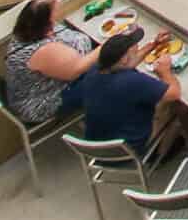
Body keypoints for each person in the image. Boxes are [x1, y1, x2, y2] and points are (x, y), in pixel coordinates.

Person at [76, 27, 182, 160]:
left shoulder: (95, 71)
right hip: (126, 151)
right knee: (173, 106)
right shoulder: (130, 81)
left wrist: (154, 44)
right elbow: (174, 93)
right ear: (124, 59)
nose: (137, 47)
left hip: (99, 147)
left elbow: (129, 63)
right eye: (134, 47)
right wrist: (165, 71)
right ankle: (159, 155)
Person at [1, 0, 94, 122]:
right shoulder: (40, 51)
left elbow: (66, 36)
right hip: (40, 103)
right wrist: (104, 47)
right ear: (45, 20)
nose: (58, 11)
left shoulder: (27, 31)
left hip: (47, 84)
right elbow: (76, 70)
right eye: (55, 11)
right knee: (102, 76)